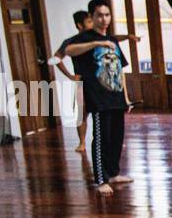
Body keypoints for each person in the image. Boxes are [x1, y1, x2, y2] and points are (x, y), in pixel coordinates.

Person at [62, 0, 133, 196]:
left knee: (116, 138)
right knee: (101, 138)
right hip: (99, 97)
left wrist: (125, 97)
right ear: (92, 17)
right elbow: (67, 51)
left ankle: (113, 173)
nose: (104, 19)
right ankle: (101, 179)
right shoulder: (84, 38)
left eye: (107, 15)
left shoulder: (113, 41)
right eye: (100, 15)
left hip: (116, 95)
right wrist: (95, 43)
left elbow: (120, 70)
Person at [51, 10, 136, 153]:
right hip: (81, 82)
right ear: (79, 25)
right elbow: (56, 57)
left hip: (99, 83)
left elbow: (113, 39)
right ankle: (82, 142)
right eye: (89, 22)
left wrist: (127, 37)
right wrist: (70, 76)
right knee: (81, 113)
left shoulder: (99, 38)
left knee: (108, 115)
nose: (94, 24)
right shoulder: (73, 41)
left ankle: (112, 143)